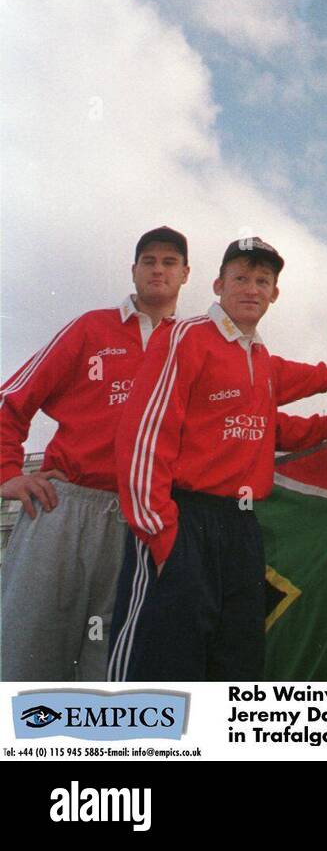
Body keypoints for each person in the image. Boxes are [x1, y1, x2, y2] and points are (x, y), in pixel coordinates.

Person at [108, 237, 327, 681]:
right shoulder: (186, 337)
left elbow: (278, 421)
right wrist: (161, 534)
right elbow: (144, 435)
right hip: (182, 519)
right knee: (161, 664)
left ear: (274, 294)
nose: (251, 289)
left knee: (235, 661)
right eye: (240, 278)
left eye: (262, 281)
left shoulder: (260, 358)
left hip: (240, 527)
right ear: (218, 284)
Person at [0, 226, 190, 680]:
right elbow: (12, 399)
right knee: (27, 654)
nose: (158, 269)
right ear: (134, 270)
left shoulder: (191, 342)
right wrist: (7, 470)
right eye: (149, 261)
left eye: (169, 262)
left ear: (185, 274)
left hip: (139, 520)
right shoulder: (92, 327)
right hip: (64, 508)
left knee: (110, 669)